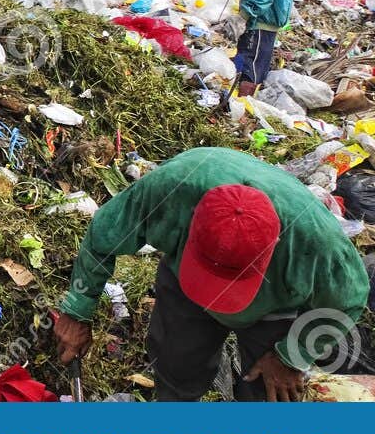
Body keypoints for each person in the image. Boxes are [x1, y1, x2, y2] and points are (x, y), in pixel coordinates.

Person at [54, 147, 367, 402]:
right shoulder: (172, 188)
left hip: (274, 306)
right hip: (184, 290)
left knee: (269, 394)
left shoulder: (314, 242)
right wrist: (78, 310)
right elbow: (101, 237)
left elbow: (348, 299)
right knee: (176, 368)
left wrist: (291, 356)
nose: (218, 300)